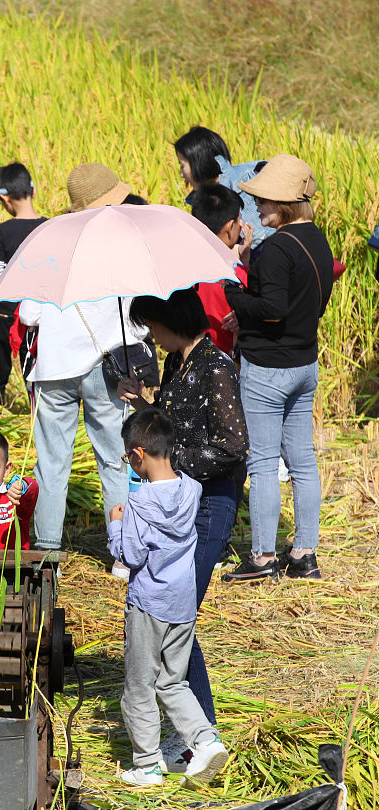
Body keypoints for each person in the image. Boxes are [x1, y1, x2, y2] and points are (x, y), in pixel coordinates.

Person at [120, 289, 248, 745]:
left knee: (177, 615)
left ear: (171, 320)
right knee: (174, 614)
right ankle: (193, 729)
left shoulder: (216, 368)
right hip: (181, 499)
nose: (152, 337)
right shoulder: (178, 363)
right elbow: (172, 429)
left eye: (152, 326)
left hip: (209, 502)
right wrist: (142, 408)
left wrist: (176, 464)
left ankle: (200, 732)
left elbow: (234, 445)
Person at [19, 163, 151, 553]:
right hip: (106, 367)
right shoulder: (124, 244)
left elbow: (28, 314)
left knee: (51, 463)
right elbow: (138, 319)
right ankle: (123, 552)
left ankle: (45, 551)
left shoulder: (53, 242)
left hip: (53, 368)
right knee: (115, 458)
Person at [222, 155, 335, 582]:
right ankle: (305, 553)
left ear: (286, 204)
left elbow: (271, 308)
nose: (259, 207)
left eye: (266, 200)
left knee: (264, 464)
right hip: (305, 364)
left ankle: (263, 557)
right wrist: (253, 291)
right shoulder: (317, 240)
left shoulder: (275, 249)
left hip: (268, 369)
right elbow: (301, 301)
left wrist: (234, 293)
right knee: (303, 462)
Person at [109, 409, 228, 787]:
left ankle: (146, 763)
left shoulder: (140, 504)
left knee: (139, 685)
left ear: (139, 454)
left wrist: (115, 523)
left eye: (129, 456)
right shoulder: (192, 488)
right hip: (182, 602)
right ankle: (206, 740)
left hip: (148, 605)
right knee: (173, 683)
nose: (129, 462)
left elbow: (131, 556)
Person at [0, 162, 47, 405]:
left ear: (5, 199)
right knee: (35, 368)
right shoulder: (49, 226)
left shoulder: (2, 231)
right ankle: (37, 413)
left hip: (6, 310)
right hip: (40, 312)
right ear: (33, 191)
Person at [174, 126, 272, 249]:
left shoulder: (252, 177)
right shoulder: (201, 203)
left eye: (182, 166)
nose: (182, 175)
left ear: (199, 161)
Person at [189, 185, 251, 354]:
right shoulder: (237, 275)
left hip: (192, 360)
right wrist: (245, 265)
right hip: (227, 365)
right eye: (239, 220)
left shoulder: (185, 267)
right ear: (230, 227)